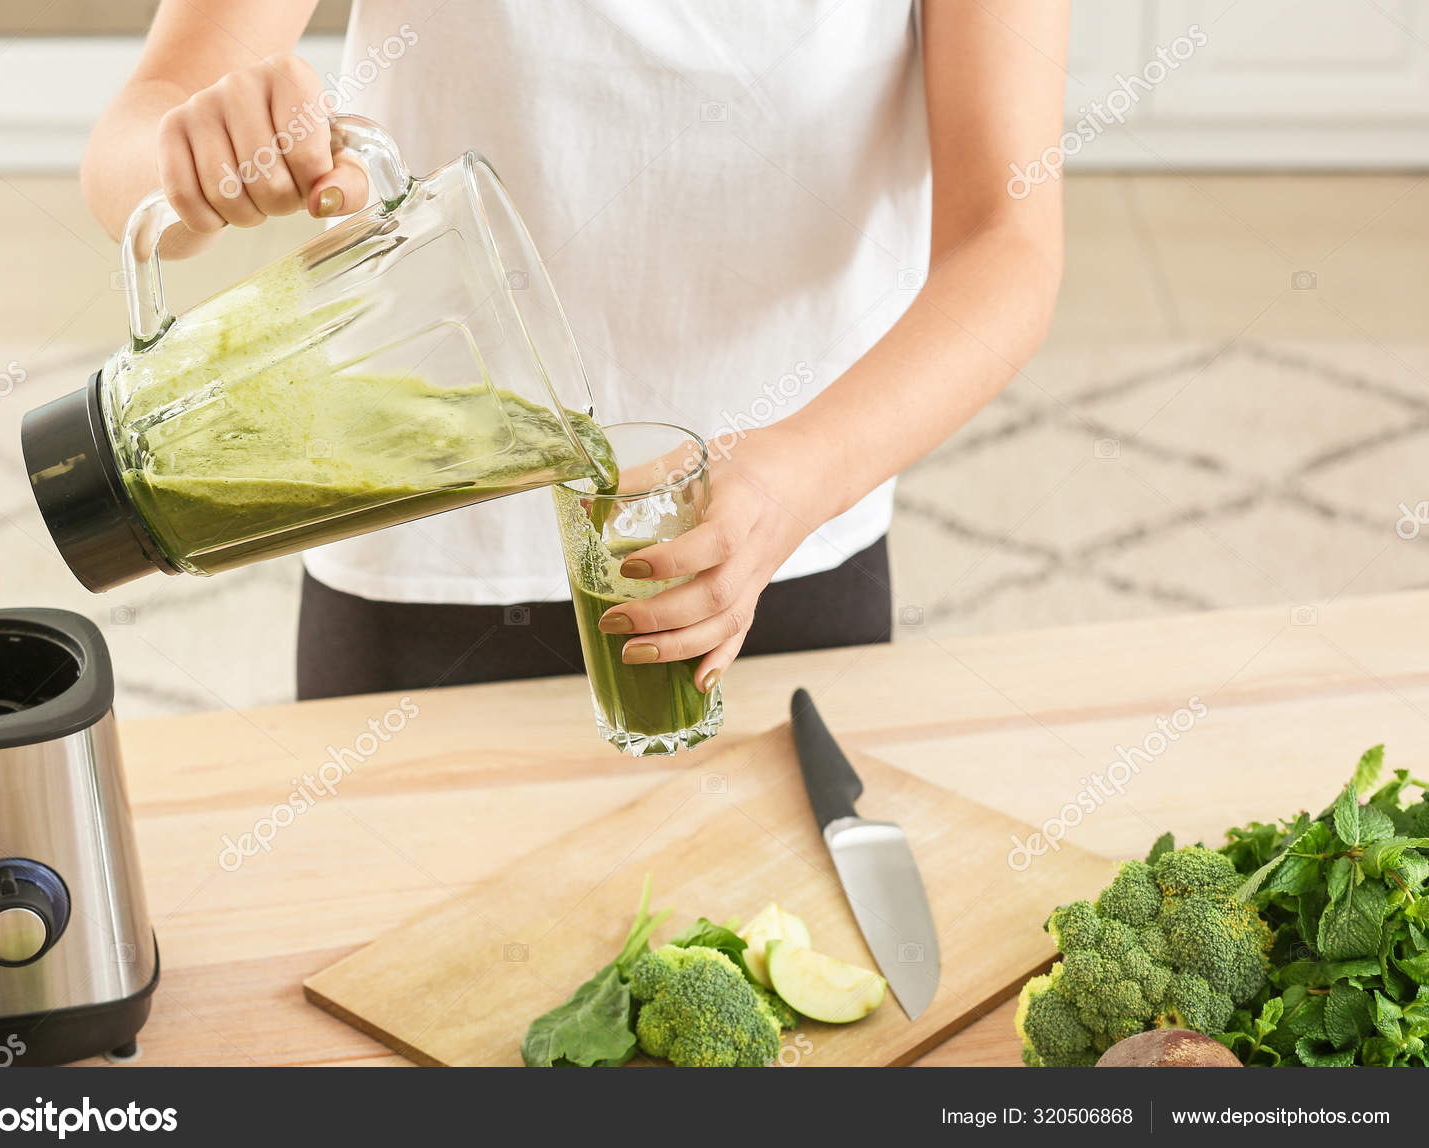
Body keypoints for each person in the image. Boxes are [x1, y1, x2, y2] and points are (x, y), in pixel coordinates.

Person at [83, 0, 1067, 699]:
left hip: (773, 552)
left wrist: (793, 480)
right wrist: (192, 158)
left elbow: (1006, 246)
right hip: (418, 543)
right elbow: (132, 139)